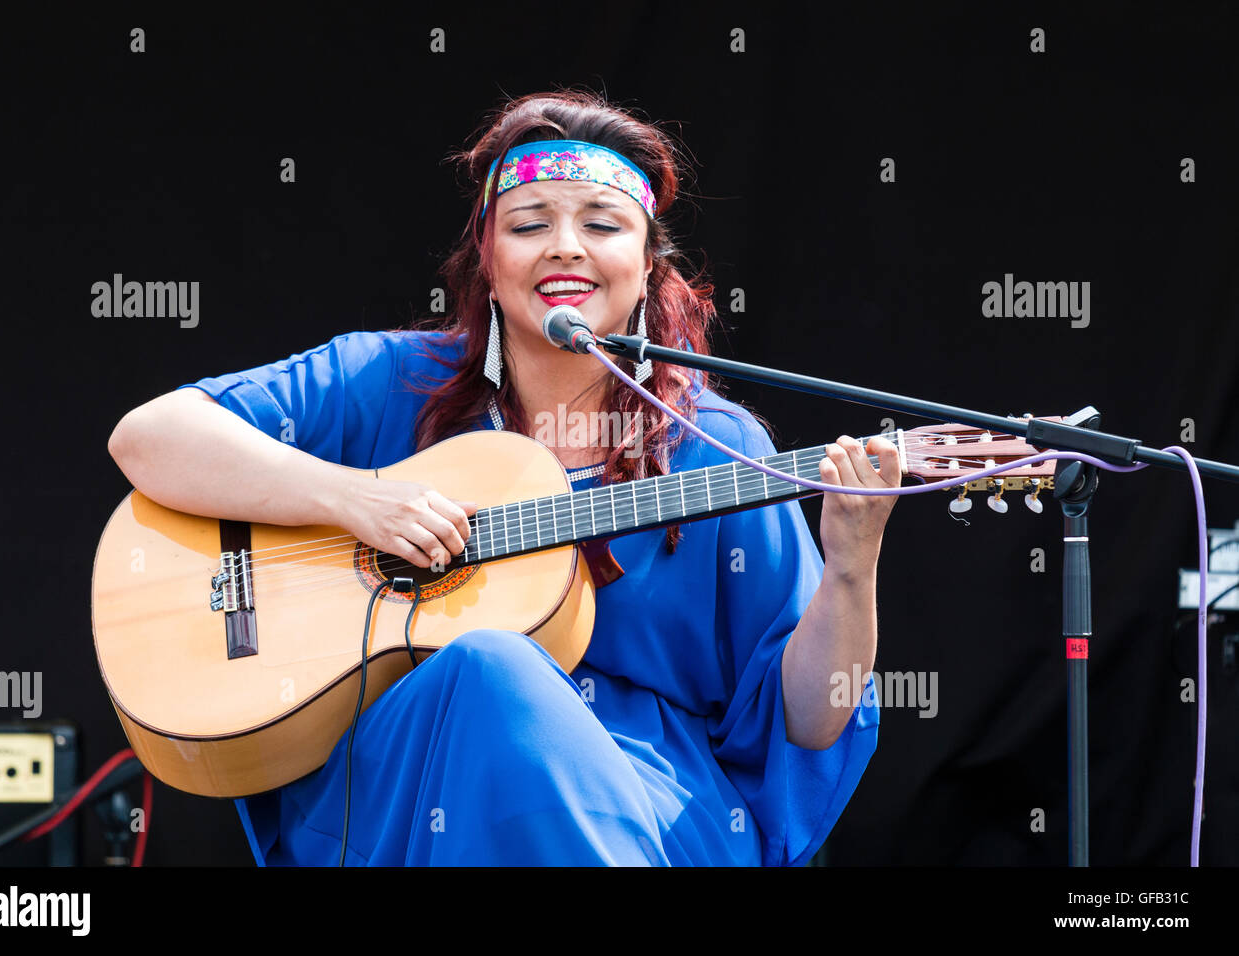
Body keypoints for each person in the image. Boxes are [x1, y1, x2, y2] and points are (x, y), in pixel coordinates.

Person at [107, 90, 900, 866]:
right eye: (529, 225)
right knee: (489, 668)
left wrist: (852, 569)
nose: (565, 247)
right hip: (408, 787)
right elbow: (151, 437)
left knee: (498, 670)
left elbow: (810, 717)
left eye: (602, 224)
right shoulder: (391, 380)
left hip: (647, 806)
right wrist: (354, 499)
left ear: (649, 260)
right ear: (487, 258)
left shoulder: (716, 443)